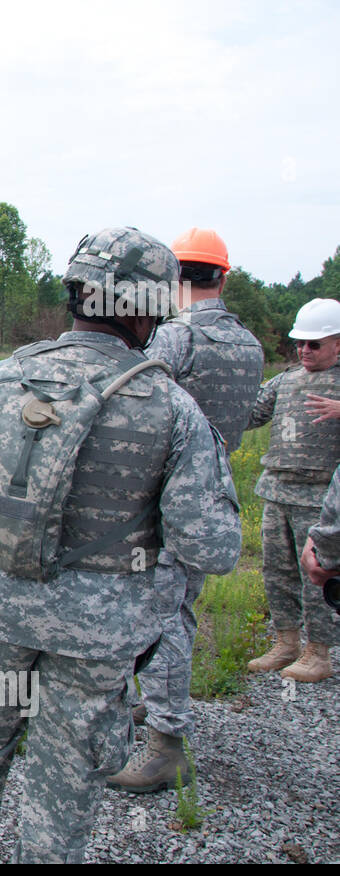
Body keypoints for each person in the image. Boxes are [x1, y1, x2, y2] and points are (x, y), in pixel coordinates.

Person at [0, 227, 241, 864]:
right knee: (64, 775)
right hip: (100, 635)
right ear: (149, 308)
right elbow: (212, 547)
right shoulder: (172, 405)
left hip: (2, 609)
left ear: (78, 292)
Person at [108, 228, 264, 793]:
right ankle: (153, 709)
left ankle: (166, 745)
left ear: (175, 280)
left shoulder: (176, 340)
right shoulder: (250, 345)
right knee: (180, 611)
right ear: (223, 275)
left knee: (158, 617)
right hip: (212, 497)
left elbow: (133, 400)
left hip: (166, 498)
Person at [242, 298, 340, 683]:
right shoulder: (285, 380)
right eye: (300, 342)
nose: (304, 350)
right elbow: (250, 414)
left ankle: (319, 652)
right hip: (277, 491)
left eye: (314, 344)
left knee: (318, 573)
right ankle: (286, 642)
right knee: (277, 571)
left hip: (321, 499)